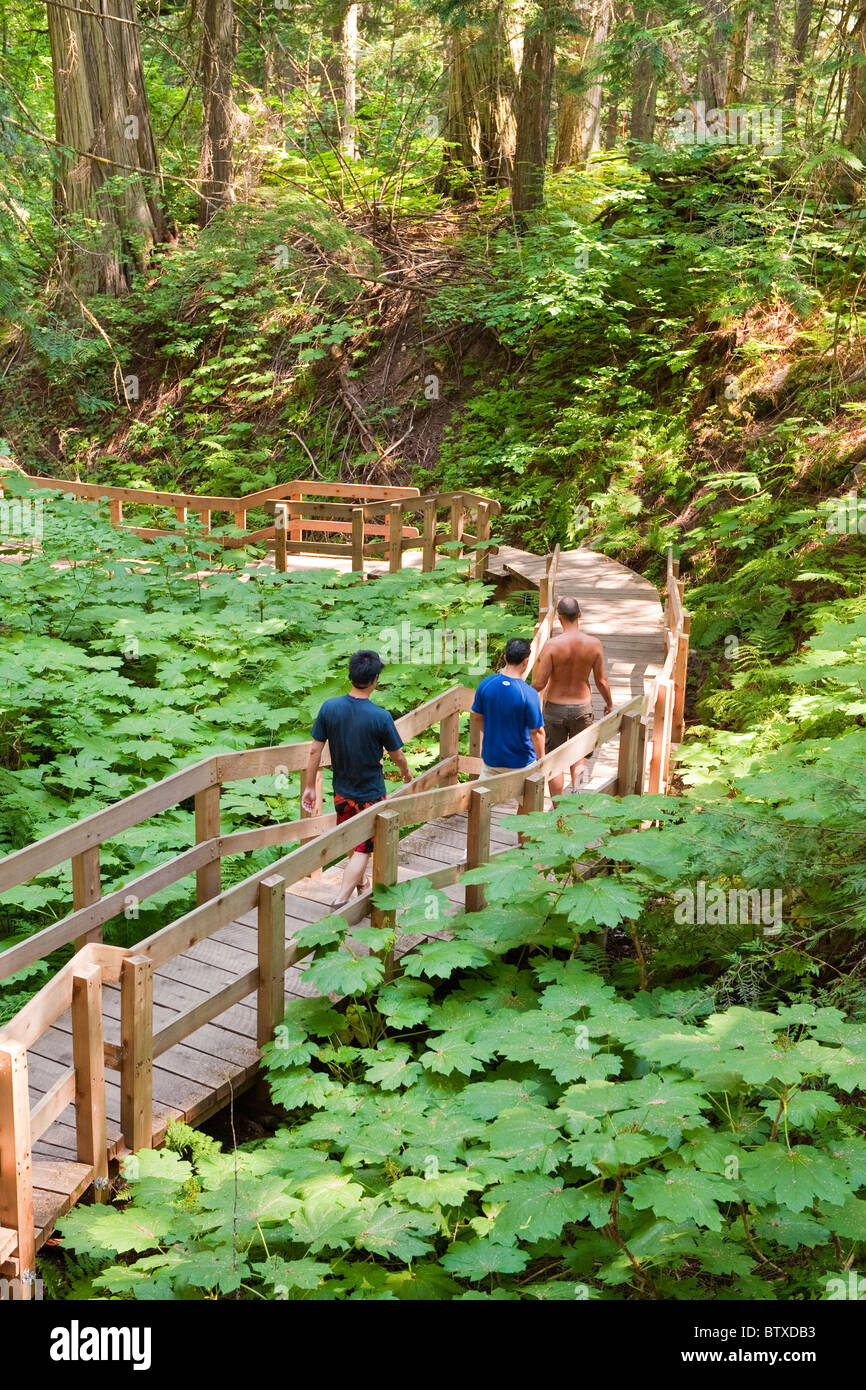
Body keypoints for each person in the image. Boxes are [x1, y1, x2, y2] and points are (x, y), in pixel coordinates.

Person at [302, 650, 412, 907]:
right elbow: (397, 755)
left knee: (354, 839)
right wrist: (406, 773)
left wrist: (309, 787)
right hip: (370, 793)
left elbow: (314, 750)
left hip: (341, 790)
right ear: (375, 679)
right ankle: (340, 901)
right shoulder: (380, 717)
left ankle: (362, 884)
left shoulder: (330, 708)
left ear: (350, 676)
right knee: (364, 848)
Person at [531, 596, 613, 798]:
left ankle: (558, 806)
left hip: (555, 708)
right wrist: (609, 703)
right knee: (580, 753)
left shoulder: (551, 645)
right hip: (582, 707)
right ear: (580, 615)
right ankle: (576, 792)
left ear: (559, 618)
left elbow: (539, 684)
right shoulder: (594, 644)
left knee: (554, 758)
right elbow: (601, 680)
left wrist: (521, 699)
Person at [470, 637, 545, 778]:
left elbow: (477, 716)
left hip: (492, 759)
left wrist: (492, 735)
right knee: (527, 799)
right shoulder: (528, 694)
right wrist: (542, 762)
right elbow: (537, 733)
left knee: (483, 797)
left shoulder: (486, 684)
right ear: (526, 661)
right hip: (521, 763)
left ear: (505, 658)